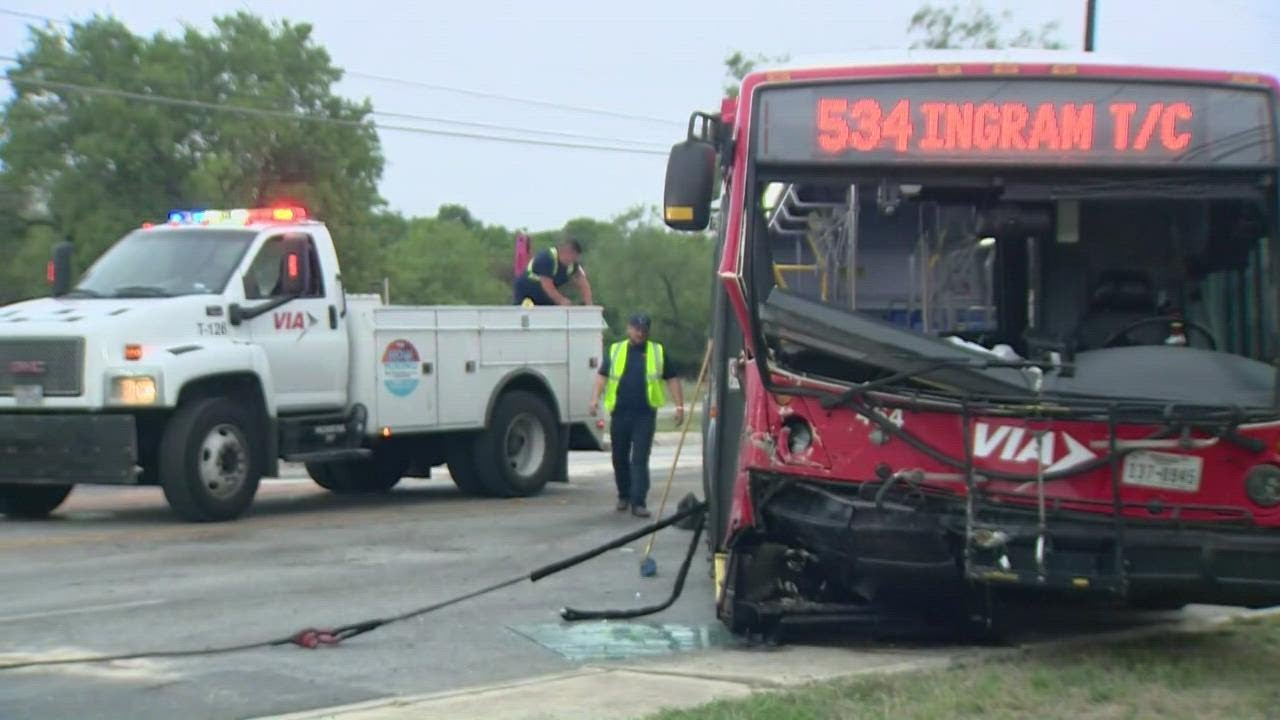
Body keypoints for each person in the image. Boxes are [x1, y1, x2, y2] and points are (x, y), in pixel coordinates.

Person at [590, 313, 684, 518]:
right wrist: (594, 399)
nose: (640, 333)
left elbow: (672, 379)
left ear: (648, 331)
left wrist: (679, 406)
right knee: (619, 457)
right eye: (637, 329)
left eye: (644, 330)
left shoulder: (657, 351)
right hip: (620, 412)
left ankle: (638, 502)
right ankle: (624, 495)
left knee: (640, 459)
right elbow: (602, 376)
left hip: (645, 414)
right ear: (628, 329)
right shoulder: (616, 350)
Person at [512, 238, 594, 307]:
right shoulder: (546, 258)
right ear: (565, 251)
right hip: (527, 293)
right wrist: (561, 300)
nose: (573, 260)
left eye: (575, 257)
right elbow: (547, 285)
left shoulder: (573, 264)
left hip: (545, 295)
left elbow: (583, 283)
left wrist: (589, 304)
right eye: (572, 255)